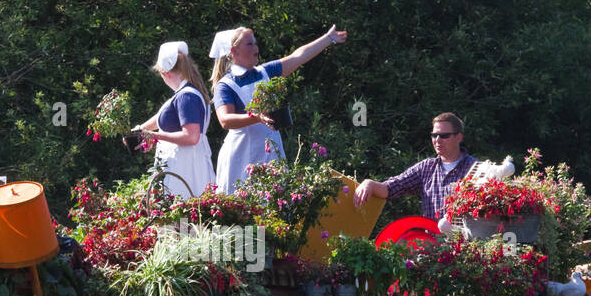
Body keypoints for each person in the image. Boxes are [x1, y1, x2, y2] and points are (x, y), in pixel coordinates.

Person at [209, 24, 347, 194]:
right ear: (234, 51)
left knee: (274, 206)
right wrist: (257, 117)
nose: (256, 48)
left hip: (269, 151)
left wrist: (328, 38)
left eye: (255, 43)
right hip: (241, 155)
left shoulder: (264, 72)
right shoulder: (226, 85)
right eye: (250, 44)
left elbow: (298, 56)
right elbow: (225, 120)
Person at [354, 113, 477, 225]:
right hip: (432, 246)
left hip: (464, 246)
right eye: (434, 135)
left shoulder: (477, 169)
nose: (437, 140)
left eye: (444, 135)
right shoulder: (426, 168)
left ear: (459, 137)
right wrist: (368, 183)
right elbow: (391, 188)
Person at [131, 41, 216, 198]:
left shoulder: (186, 96)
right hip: (184, 164)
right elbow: (163, 118)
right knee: (179, 215)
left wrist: (154, 136)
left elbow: (191, 137)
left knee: (182, 216)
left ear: (165, 73)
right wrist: (141, 129)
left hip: (185, 167)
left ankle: (181, 224)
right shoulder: (184, 93)